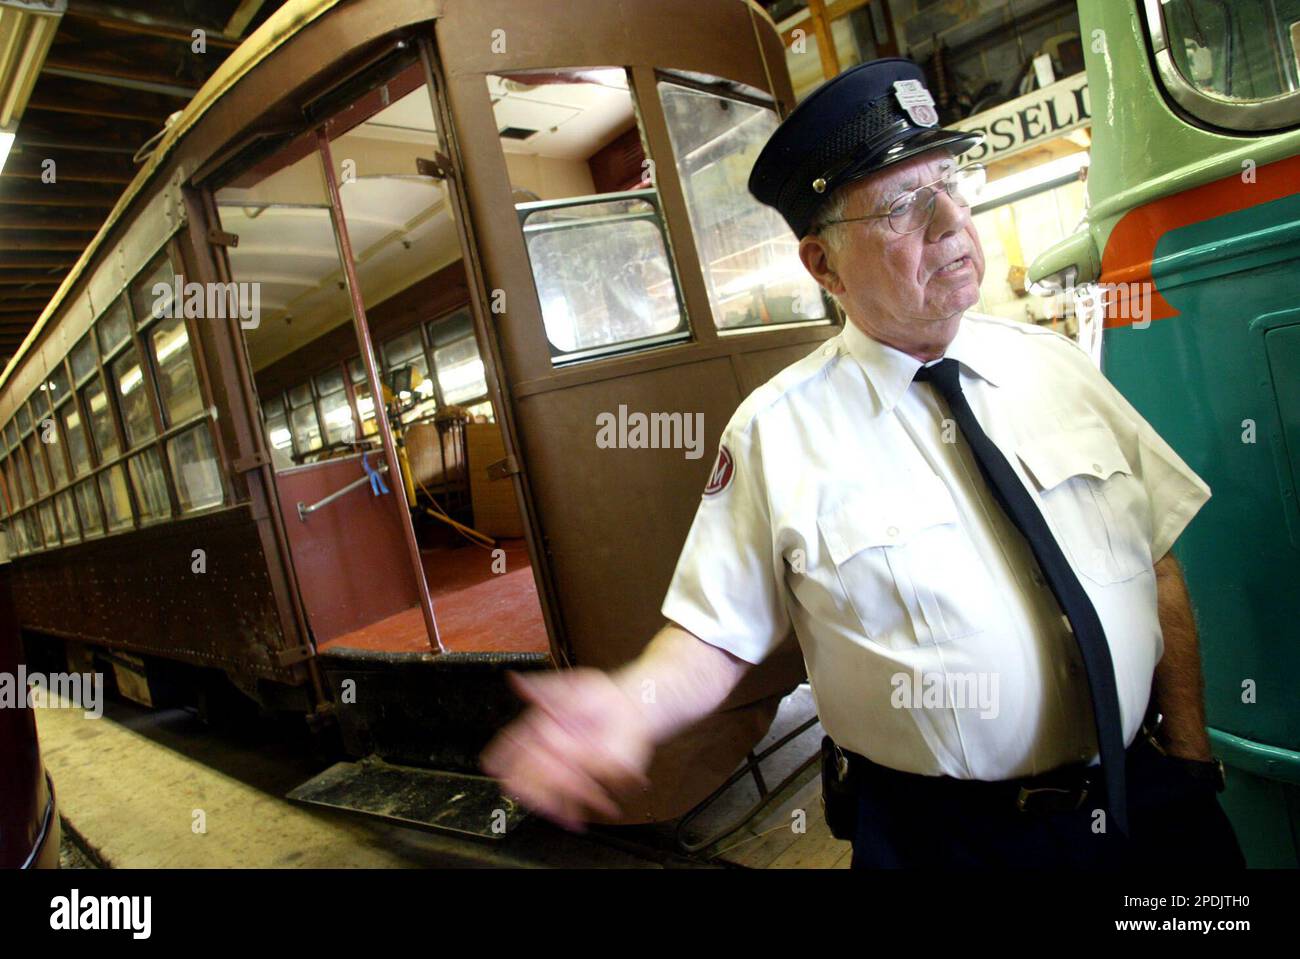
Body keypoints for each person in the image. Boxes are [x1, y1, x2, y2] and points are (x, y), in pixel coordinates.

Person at [481, 58, 1244, 868]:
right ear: (822, 266)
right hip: (951, 844)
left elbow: (1157, 564)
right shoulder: (778, 432)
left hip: (1153, 805)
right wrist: (630, 707)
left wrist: (1190, 756)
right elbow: (717, 636)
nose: (950, 222)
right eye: (904, 206)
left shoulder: (1055, 365)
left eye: (952, 182)